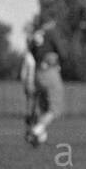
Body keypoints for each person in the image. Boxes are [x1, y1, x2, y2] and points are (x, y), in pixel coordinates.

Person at [24, 19, 65, 147]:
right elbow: (63, 51)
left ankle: (39, 135)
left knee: (44, 108)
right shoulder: (51, 33)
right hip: (50, 72)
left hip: (38, 74)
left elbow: (31, 51)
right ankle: (35, 132)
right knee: (55, 109)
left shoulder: (35, 35)